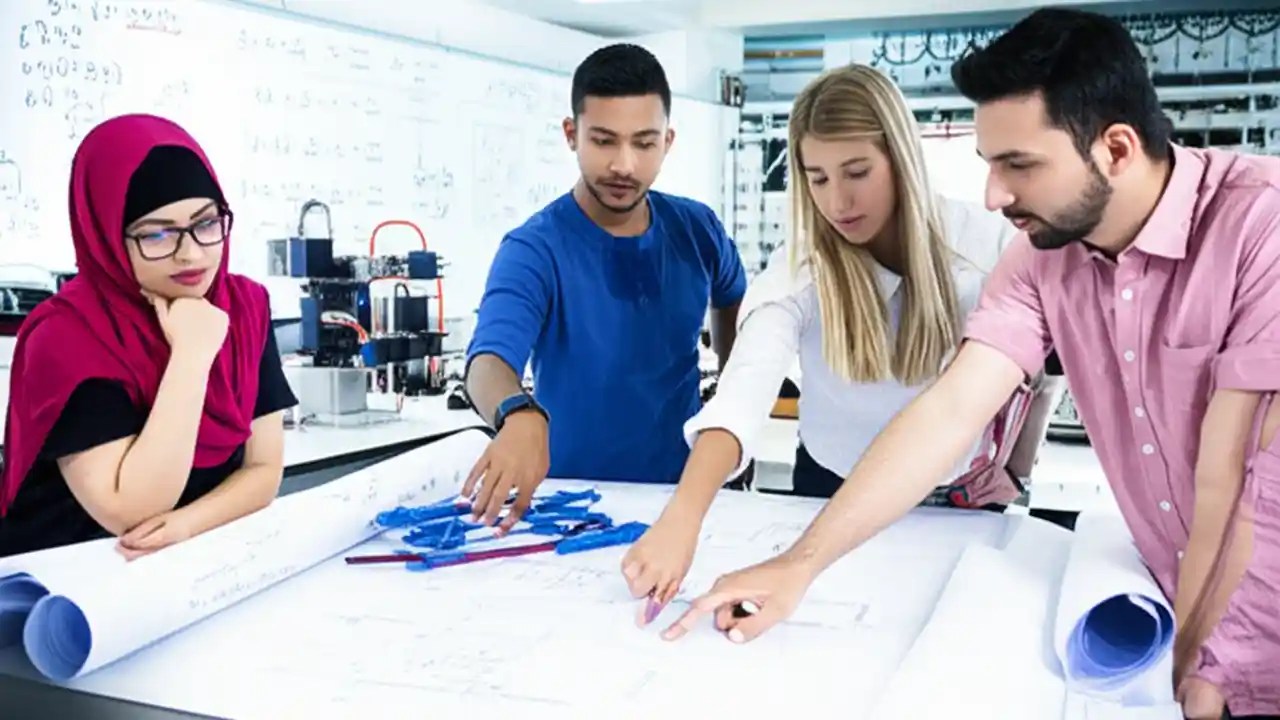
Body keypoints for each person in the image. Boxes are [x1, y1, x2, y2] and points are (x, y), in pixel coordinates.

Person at [661, 9, 1280, 720]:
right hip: (1182, 626)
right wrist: (799, 565)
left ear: (1115, 147)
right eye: (989, 164)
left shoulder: (1260, 222)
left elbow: (1232, 479)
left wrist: (1197, 664)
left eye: (1019, 165)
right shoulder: (1042, 260)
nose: (994, 194)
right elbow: (952, 408)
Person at [619, 64, 1022, 615]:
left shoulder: (988, 245)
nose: (838, 202)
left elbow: (1035, 373)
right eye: (818, 177)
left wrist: (1019, 469)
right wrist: (681, 517)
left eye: (857, 171)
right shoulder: (802, 272)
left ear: (900, 159)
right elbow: (741, 396)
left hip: (956, 501)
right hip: (828, 492)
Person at [462, 43, 747, 531]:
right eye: (604, 140)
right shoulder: (534, 249)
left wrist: (734, 398)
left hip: (686, 499)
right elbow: (488, 363)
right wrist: (517, 412)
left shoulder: (698, 229)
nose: (624, 166)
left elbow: (732, 299)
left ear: (667, 141)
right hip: (570, 504)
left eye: (643, 142)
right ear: (572, 135)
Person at [0, 113, 296, 560]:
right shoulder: (67, 337)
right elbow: (132, 511)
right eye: (156, 234)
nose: (191, 253)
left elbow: (264, 468)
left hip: (177, 564)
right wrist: (192, 356)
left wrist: (186, 525)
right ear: (106, 235)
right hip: (59, 579)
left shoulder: (245, 307)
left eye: (206, 223)